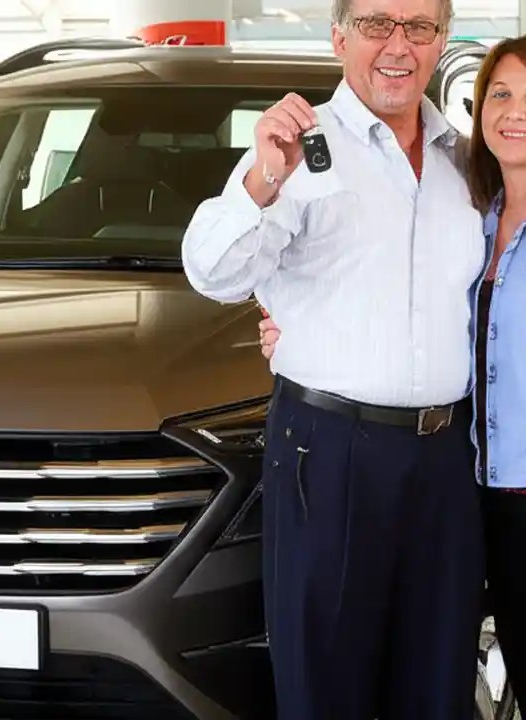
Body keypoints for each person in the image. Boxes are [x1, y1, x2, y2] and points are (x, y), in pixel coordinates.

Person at [259, 34, 526, 720]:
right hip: (488, 502)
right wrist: (293, 330)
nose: (516, 112)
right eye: (500, 96)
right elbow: (413, 312)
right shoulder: (474, 212)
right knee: (521, 688)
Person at [181, 0, 487, 717]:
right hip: (331, 450)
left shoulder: (463, 162)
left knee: (438, 679)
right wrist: (263, 179)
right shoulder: (295, 150)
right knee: (326, 680)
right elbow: (214, 273)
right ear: (338, 37)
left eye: (419, 28)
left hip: (447, 457)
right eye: (378, 23)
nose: (399, 46)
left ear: (442, 41)